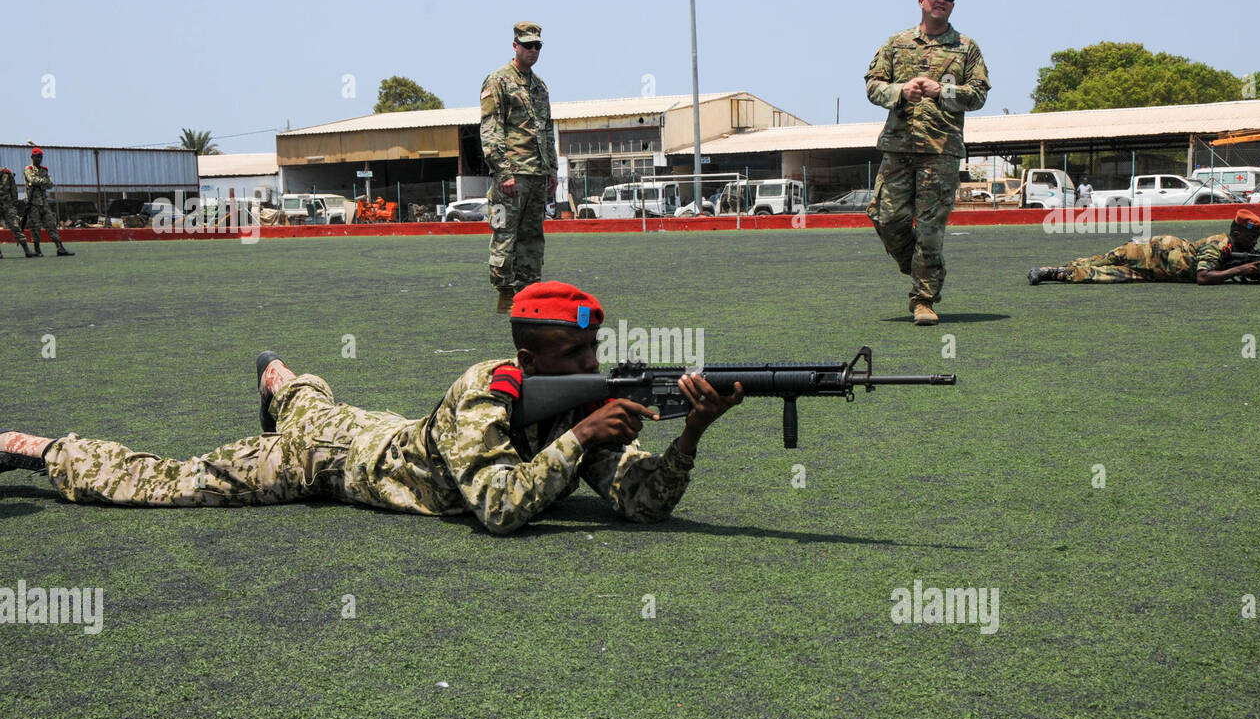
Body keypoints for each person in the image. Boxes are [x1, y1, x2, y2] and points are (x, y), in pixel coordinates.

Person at [0, 282, 743, 535]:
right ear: (532, 362)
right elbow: (499, 508)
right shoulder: (489, 390)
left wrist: (693, 434)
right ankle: (31, 447)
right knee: (174, 481)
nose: (594, 369)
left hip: (380, 432)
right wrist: (580, 435)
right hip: (328, 463)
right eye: (578, 360)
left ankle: (282, 378)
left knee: (316, 402)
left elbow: (642, 505)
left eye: (594, 356)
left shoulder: (574, 404)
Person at [865, 0, 989, 326]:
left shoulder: (966, 48)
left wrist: (943, 92)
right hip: (899, 147)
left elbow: (978, 94)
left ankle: (924, 299)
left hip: (941, 150)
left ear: (953, 4)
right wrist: (900, 91)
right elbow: (873, 86)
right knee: (885, 219)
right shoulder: (895, 44)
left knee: (930, 230)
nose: (941, 0)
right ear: (921, 0)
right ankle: (919, 265)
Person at [480, 21, 557, 313]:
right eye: (528, 45)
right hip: (512, 174)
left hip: (537, 174)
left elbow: (547, 131)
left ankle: (529, 296)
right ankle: (505, 294)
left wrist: (552, 171)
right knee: (505, 234)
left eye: (538, 45)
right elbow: (490, 129)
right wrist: (502, 172)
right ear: (515, 46)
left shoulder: (540, 86)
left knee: (532, 237)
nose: (533, 50)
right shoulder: (498, 81)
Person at [1027, 209, 1260, 285]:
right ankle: (1052, 268)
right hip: (1149, 252)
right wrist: (1244, 268)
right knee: (1100, 261)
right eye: (1251, 238)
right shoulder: (1219, 245)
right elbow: (1204, 277)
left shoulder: (1236, 253)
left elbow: (1251, 273)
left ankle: (1053, 274)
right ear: (1236, 231)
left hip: (1156, 272)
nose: (1254, 243)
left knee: (1101, 276)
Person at [22, 148, 74, 257]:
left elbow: (50, 184)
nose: (39, 159)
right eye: (36, 156)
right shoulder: (28, 168)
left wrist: (41, 182)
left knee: (51, 225)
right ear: (32, 157)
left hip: (43, 202)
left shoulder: (44, 170)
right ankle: (37, 250)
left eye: (40, 157)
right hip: (33, 203)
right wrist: (43, 181)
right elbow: (32, 180)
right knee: (35, 227)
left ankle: (60, 248)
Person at [0, 167, 36, 258]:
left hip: (7, 205)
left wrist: (14, 203)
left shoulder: (7, 173)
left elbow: (13, 189)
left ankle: (27, 250)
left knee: (15, 227)